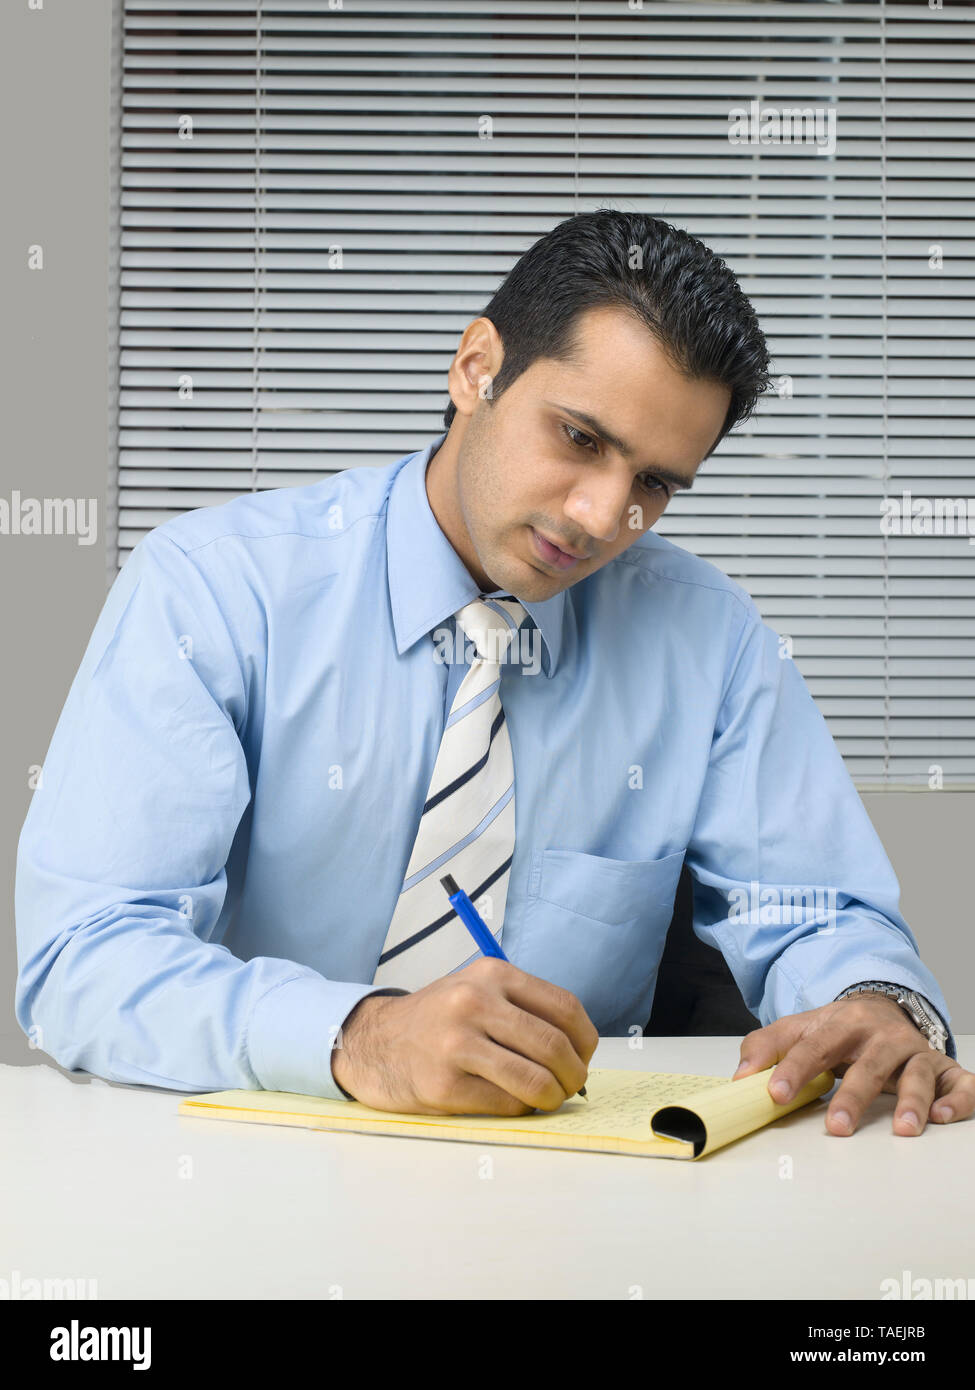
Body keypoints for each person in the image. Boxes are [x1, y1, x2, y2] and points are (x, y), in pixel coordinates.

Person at [15, 210, 973, 1138]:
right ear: (476, 368)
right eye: (581, 439)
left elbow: (812, 909)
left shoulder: (706, 638)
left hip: (572, 1198)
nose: (602, 515)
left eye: (654, 483)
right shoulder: (215, 590)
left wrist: (873, 1000)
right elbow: (82, 959)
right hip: (243, 1171)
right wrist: (358, 1037)